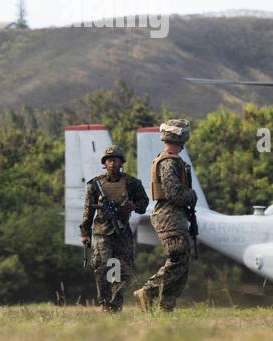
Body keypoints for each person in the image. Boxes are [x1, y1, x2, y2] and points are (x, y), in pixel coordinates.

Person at [134, 119, 196, 311]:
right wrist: (191, 196)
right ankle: (148, 291)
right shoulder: (168, 162)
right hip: (170, 217)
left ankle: (166, 305)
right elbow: (174, 193)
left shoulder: (171, 160)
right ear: (181, 137)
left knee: (182, 262)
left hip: (174, 217)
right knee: (178, 258)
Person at [78, 144, 148, 312]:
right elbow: (88, 210)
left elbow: (143, 204)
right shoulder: (95, 184)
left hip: (122, 231)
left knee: (121, 269)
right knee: (102, 266)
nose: (112, 163)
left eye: (115, 160)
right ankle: (104, 302)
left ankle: (114, 304)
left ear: (121, 162)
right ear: (104, 162)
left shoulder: (132, 183)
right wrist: (85, 232)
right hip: (102, 231)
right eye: (108, 160)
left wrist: (133, 206)